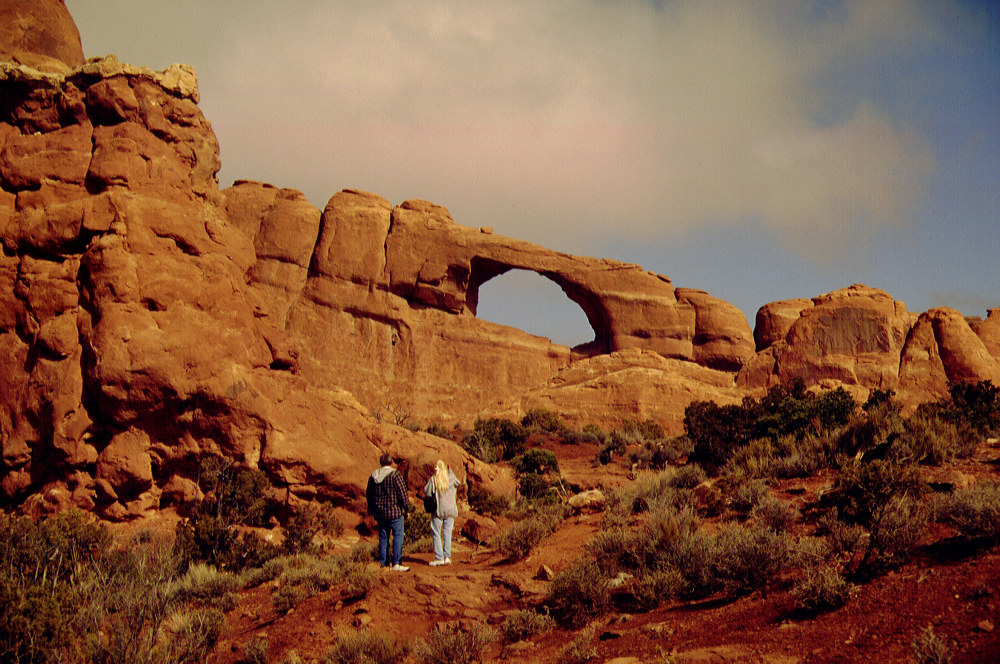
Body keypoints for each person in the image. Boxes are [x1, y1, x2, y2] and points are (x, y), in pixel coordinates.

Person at [366, 453, 410, 572]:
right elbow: (402, 494)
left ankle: (384, 564)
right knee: (398, 535)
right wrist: (407, 509)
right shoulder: (395, 475)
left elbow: (368, 495)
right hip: (394, 512)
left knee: (383, 537)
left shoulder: (374, 476)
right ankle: (396, 563)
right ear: (391, 463)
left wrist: (373, 509)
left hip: (380, 513)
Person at [424, 459, 461, 566]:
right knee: (447, 533)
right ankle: (447, 557)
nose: (435, 468)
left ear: (439, 468)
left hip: (438, 511)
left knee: (436, 532)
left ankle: (439, 558)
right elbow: (458, 483)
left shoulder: (434, 480)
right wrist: (450, 471)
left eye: (437, 466)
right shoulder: (452, 479)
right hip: (450, 510)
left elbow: (427, 491)